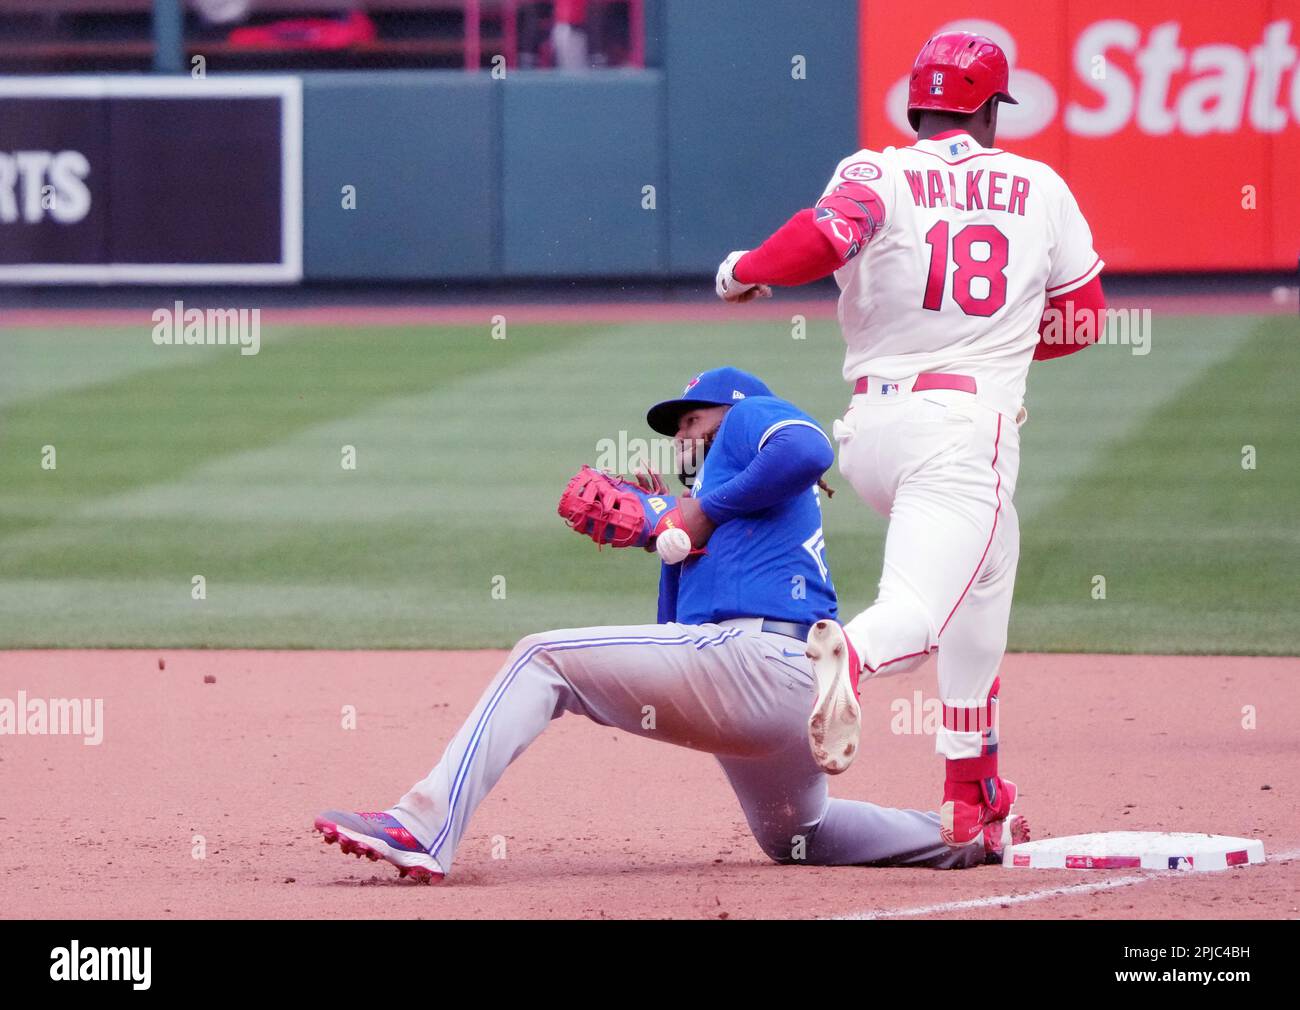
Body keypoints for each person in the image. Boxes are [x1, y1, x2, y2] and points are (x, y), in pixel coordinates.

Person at [315, 366, 1025, 883]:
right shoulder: (713, 511)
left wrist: (700, 513)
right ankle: (959, 840)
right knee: (798, 836)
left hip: (763, 662)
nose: (682, 434)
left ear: (733, 412)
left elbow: (808, 451)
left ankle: (423, 826)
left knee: (541, 658)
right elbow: (671, 639)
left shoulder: (752, 421)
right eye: (678, 427)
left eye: (693, 419)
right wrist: (665, 538)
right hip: (781, 698)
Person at [714, 30, 1105, 848]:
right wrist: (997, 337)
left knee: (989, 571)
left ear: (918, 104)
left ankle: (972, 789)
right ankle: (843, 663)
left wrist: (747, 266)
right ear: (993, 110)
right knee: (919, 615)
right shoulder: (1039, 185)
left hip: (872, 433)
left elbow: (824, 238)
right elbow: (1082, 319)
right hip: (964, 433)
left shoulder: (875, 171)